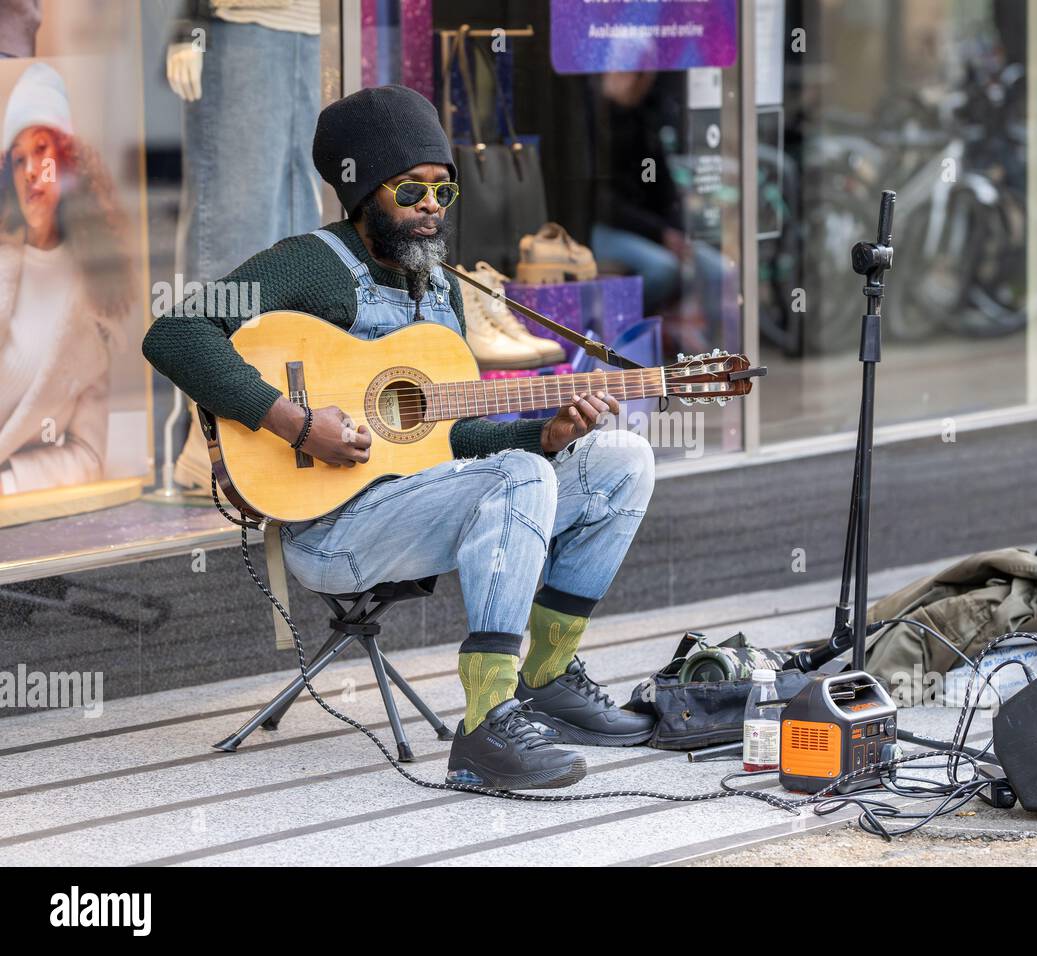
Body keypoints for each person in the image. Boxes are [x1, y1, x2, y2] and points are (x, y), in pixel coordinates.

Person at [142, 85, 656, 790]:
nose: (430, 208)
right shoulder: (311, 265)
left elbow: (456, 437)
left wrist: (548, 431)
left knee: (621, 459)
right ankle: (485, 725)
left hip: (421, 505)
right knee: (520, 479)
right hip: (330, 529)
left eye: (443, 192)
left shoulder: (436, 287)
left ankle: (547, 678)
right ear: (361, 196)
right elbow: (175, 332)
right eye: (410, 190)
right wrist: (294, 423)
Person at [0, 61, 132, 495]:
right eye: (19, 159)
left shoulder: (97, 300)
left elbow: (87, 456)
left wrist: (9, 484)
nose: (31, 171)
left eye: (42, 151)